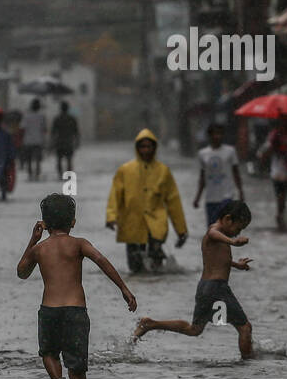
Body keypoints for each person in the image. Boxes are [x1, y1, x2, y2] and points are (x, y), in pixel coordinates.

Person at [18, 193, 137, 379]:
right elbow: (101, 260)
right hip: (75, 313)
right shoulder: (79, 244)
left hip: (49, 311)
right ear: (73, 222)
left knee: (49, 353)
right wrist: (123, 287)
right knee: (77, 369)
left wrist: (33, 240)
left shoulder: (40, 248)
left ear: (44, 224)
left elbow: (22, 272)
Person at [134, 200, 255, 359]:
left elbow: (218, 260)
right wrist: (233, 242)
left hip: (206, 288)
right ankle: (249, 364)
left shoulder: (221, 236)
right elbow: (212, 233)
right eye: (238, 228)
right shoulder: (215, 231)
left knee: (194, 329)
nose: (237, 233)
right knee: (245, 327)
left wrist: (236, 265)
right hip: (217, 288)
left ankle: (150, 324)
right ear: (227, 219)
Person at [106, 128, 188, 273]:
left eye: (148, 146)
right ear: (137, 148)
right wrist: (111, 217)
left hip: (156, 223)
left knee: (156, 264)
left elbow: (173, 201)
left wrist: (181, 230)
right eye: (142, 146)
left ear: (154, 147)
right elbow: (115, 195)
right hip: (132, 223)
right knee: (135, 267)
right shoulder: (125, 170)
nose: (145, 150)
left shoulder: (163, 171)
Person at [194, 123, 244, 226]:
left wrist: (241, 191)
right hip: (211, 198)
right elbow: (202, 177)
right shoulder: (203, 154)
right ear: (209, 136)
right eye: (214, 134)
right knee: (212, 230)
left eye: (220, 134)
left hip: (227, 197)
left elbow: (236, 173)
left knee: (226, 228)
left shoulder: (230, 151)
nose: (217, 136)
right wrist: (197, 197)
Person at [51, 101, 80, 177]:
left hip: (60, 142)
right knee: (69, 160)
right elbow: (76, 131)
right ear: (68, 109)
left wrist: (52, 142)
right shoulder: (72, 119)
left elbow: (53, 132)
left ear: (61, 109)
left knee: (59, 159)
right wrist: (77, 141)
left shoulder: (57, 119)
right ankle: (68, 174)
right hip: (68, 142)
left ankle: (60, 174)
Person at [21, 99, 46, 181]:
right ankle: (37, 174)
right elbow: (44, 129)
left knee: (29, 159)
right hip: (38, 140)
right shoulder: (42, 116)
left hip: (28, 140)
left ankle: (30, 174)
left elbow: (22, 128)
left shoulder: (26, 116)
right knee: (38, 159)